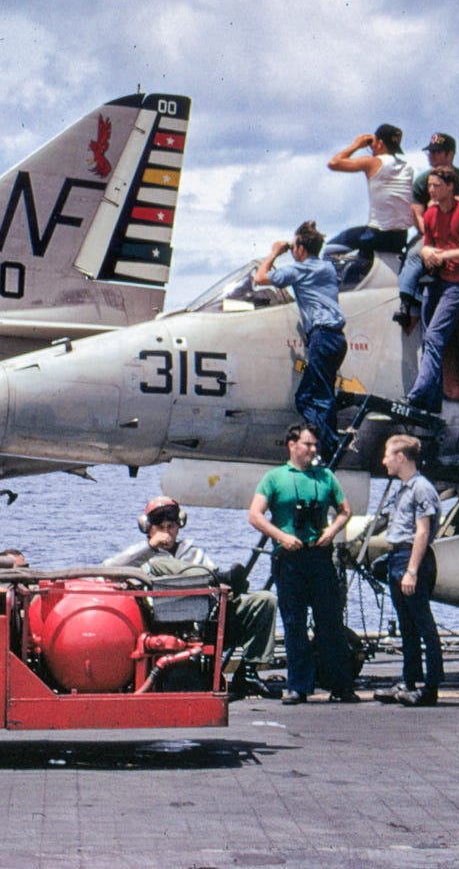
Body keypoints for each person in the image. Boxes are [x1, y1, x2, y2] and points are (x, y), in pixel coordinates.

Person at [108, 495, 281, 697]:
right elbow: (109, 569)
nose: (166, 533)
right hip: (163, 627)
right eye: (160, 527)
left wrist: (226, 590)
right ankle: (215, 577)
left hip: (207, 623)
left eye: (171, 526)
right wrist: (151, 547)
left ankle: (248, 672)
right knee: (161, 565)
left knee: (265, 600)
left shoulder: (193, 554)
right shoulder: (142, 557)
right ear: (148, 529)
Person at [246, 426, 358, 705]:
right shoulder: (274, 478)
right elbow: (255, 515)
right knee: (294, 623)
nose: (312, 450)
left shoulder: (326, 476)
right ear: (292, 445)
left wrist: (331, 532)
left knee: (330, 622)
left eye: (315, 445)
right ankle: (299, 686)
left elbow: (346, 510)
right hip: (290, 560)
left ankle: (341, 685)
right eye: (307, 444)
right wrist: (282, 537)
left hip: (319, 557)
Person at [254, 221, 349, 457]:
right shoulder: (326, 268)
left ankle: (326, 449)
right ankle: (323, 443)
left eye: (294, 246)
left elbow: (260, 278)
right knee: (307, 397)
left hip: (322, 337)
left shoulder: (300, 270)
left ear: (300, 248)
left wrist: (275, 252)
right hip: (335, 340)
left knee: (318, 397)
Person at [406, 166, 459, 414]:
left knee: (434, 336)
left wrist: (446, 255)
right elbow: (427, 245)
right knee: (428, 336)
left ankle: (419, 395)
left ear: (451, 187)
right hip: (438, 279)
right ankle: (431, 398)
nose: (431, 190)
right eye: (429, 185)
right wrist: (427, 252)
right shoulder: (429, 215)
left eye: (436, 185)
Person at [377, 433, 444, 706]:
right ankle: (410, 682)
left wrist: (412, 571)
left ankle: (430, 688)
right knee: (407, 626)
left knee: (423, 624)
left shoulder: (421, 488)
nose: (384, 461)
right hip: (398, 558)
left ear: (401, 457)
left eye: (388, 455)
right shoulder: (403, 488)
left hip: (410, 559)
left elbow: (422, 532)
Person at [397, 132, 459, 328]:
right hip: (431, 234)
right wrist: (430, 236)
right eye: (431, 152)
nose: (432, 157)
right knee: (413, 255)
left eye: (437, 152)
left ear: (450, 155)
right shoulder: (423, 180)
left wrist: (448, 201)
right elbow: (417, 213)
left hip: (457, 237)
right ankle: (405, 305)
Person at [325, 125, 416, 279]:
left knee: (331, 248)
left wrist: (357, 144)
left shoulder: (373, 162)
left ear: (379, 143)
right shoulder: (407, 168)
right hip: (400, 237)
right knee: (361, 256)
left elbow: (333, 163)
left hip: (378, 235)